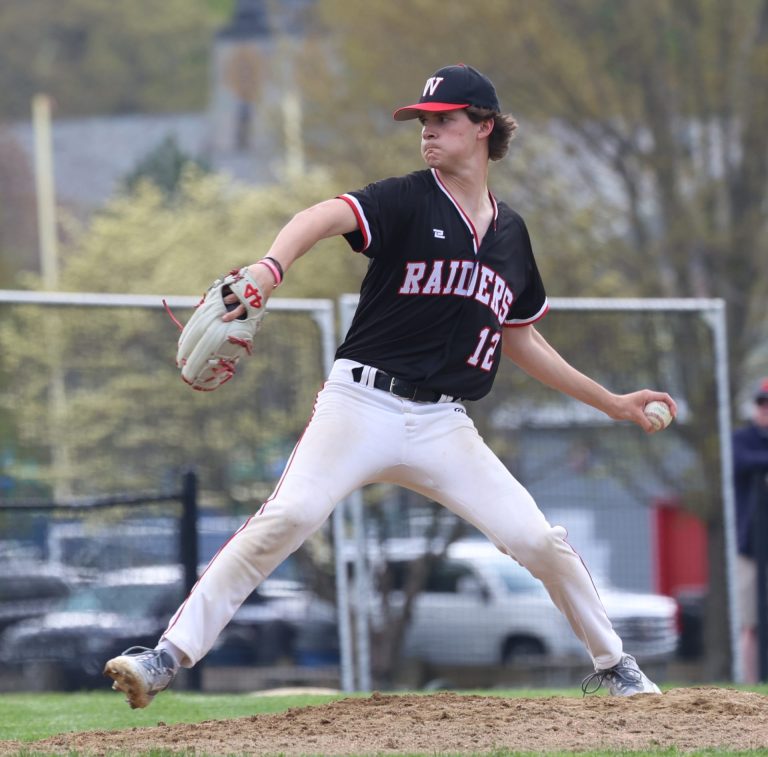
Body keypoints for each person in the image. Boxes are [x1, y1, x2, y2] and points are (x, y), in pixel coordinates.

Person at [104, 64, 676, 707]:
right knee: (289, 515)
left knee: (541, 541)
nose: (428, 132)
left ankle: (615, 664)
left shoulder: (512, 235)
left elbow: (520, 338)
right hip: (360, 404)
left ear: (484, 127)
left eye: (445, 120)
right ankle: (163, 657)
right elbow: (325, 214)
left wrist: (613, 403)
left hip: (443, 424)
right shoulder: (408, 198)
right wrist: (272, 266)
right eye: (423, 122)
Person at [733, 377, 768, 683]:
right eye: (762, 403)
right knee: (751, 623)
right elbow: (744, 462)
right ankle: (752, 688)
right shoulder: (743, 439)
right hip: (750, 548)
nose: (765, 409)